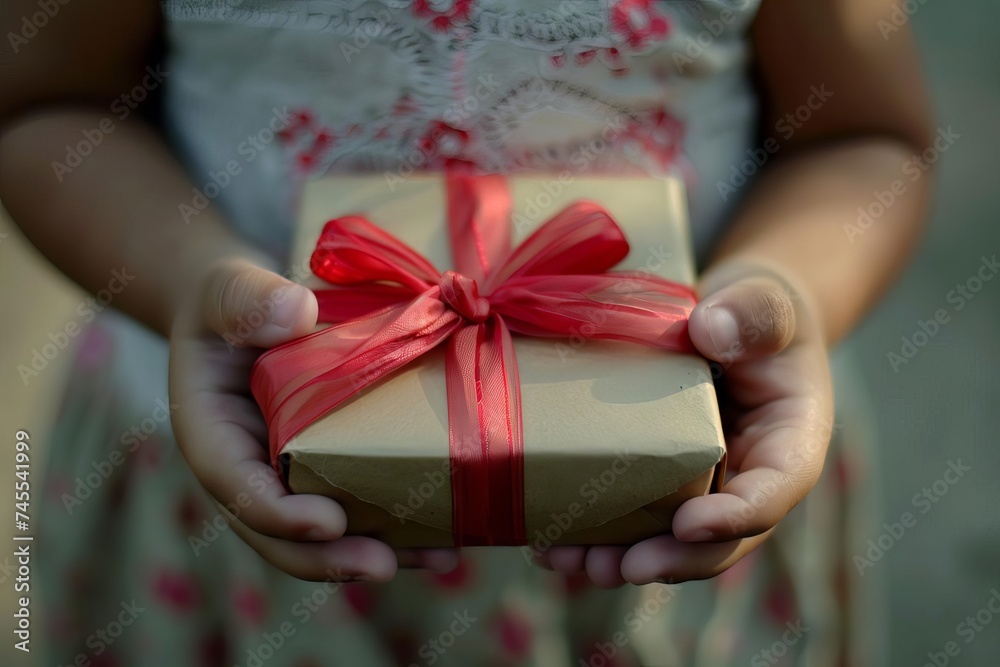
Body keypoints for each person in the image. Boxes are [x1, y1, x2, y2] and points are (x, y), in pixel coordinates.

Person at [0, 0, 933, 665]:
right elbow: (45, 107)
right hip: (221, 467)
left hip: (703, 450)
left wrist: (786, 291)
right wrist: (186, 285)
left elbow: (862, 135)